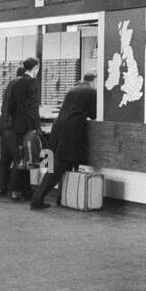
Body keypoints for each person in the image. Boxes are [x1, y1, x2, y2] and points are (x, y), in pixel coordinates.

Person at [31, 82, 97, 210]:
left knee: (55, 166)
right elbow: (93, 114)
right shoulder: (92, 92)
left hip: (58, 127)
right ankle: (37, 199)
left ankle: (62, 198)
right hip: (72, 130)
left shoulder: (72, 91)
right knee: (59, 167)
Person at [6, 58, 42, 200]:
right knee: (31, 158)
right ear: (35, 68)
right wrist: (36, 127)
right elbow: (33, 108)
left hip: (16, 125)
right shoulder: (32, 83)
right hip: (28, 126)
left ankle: (20, 190)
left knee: (19, 158)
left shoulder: (17, 82)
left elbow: (11, 106)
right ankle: (24, 189)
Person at [0, 66, 25, 196]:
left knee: (5, 159)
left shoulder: (9, 86)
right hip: (14, 128)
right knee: (18, 158)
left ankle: (2, 187)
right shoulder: (21, 87)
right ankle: (14, 190)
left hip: (4, 127)